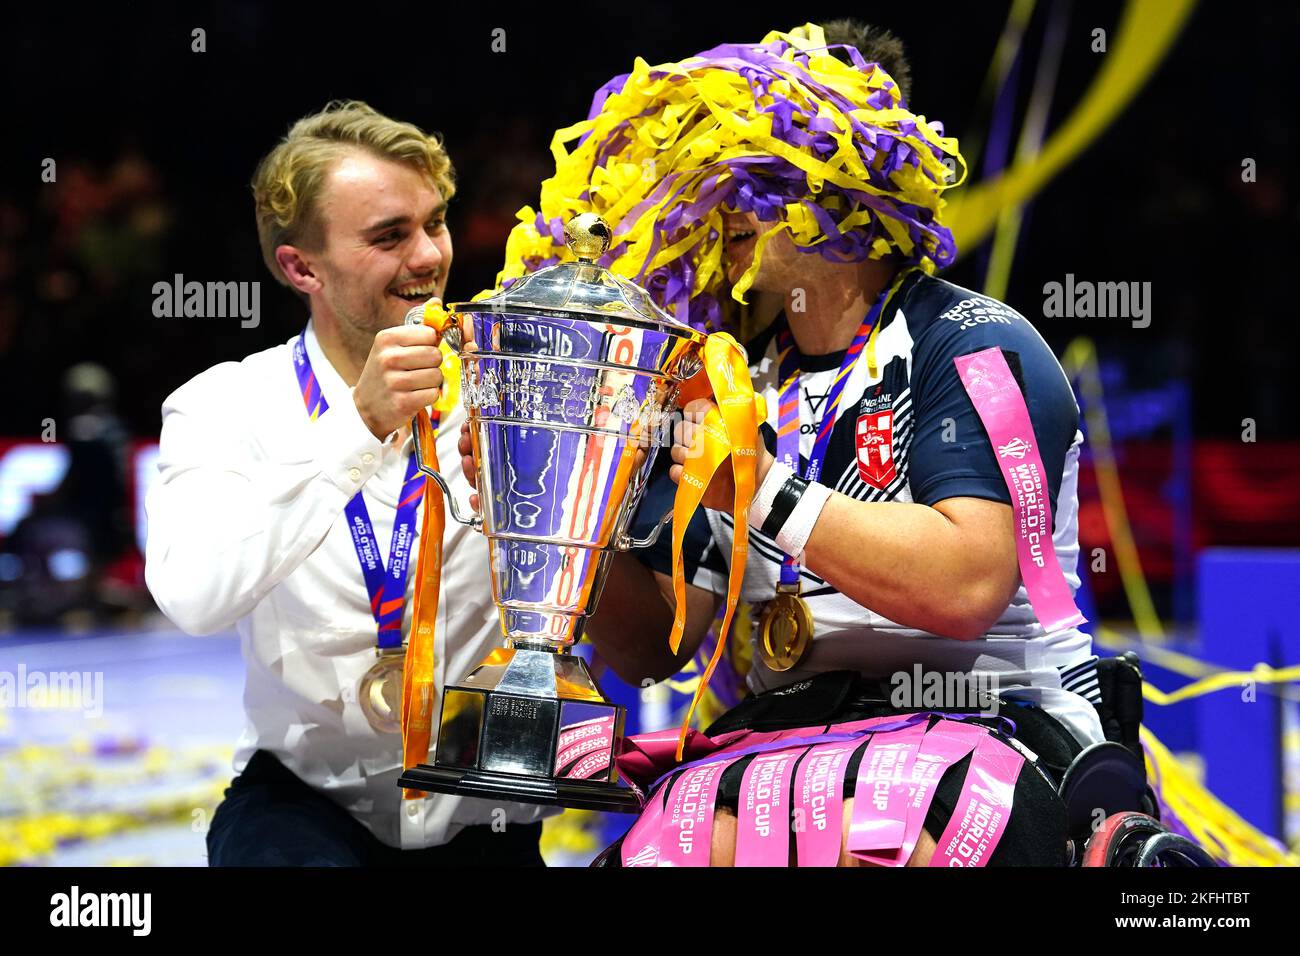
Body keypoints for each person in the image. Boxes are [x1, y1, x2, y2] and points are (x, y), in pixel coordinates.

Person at [466, 22, 1106, 866]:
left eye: (756, 172)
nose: (717, 201)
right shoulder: (722, 374)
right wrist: (545, 505)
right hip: (780, 738)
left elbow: (966, 588)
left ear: (852, 185)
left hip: (987, 726)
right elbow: (651, 648)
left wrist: (763, 490)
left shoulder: (977, 345)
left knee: (876, 843)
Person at [145, 100, 553, 866]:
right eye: (388, 237)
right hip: (303, 803)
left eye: (434, 222)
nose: (430, 256)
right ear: (302, 267)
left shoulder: (514, 397)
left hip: (483, 813)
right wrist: (355, 431)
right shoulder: (223, 405)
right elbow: (193, 597)